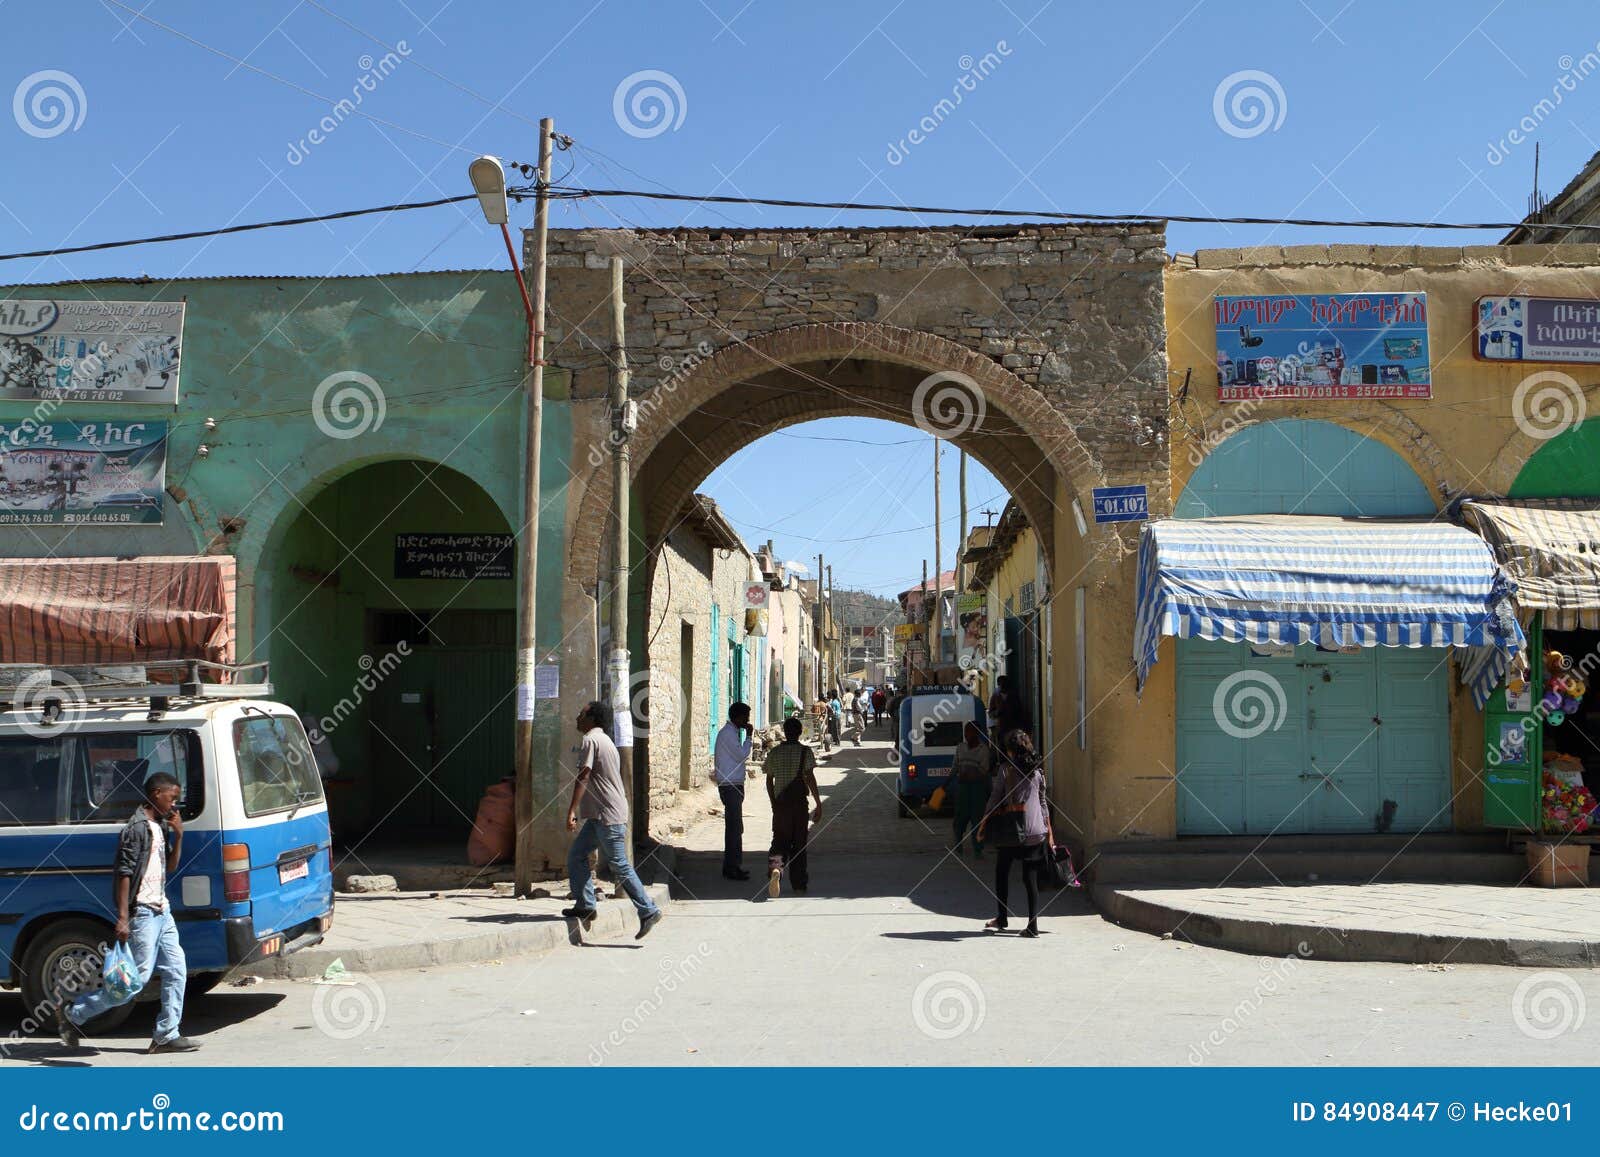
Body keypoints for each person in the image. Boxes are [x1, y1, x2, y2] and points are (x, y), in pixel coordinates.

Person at [56, 772, 200, 1053]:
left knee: (176, 969)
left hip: (162, 909)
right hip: (143, 913)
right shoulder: (136, 829)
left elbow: (170, 867)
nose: (175, 804)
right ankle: (73, 1013)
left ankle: (167, 1034)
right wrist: (123, 917)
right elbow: (123, 874)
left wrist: (180, 835)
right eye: (172, 798)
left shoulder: (161, 825)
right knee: (133, 983)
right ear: (156, 793)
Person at [563, 700, 663, 939]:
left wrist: (571, 810)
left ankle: (648, 910)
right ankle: (586, 905)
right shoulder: (605, 740)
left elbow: (583, 777)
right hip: (601, 815)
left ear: (592, 719)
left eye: (582, 714)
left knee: (619, 864)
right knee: (577, 855)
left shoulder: (591, 740)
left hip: (607, 815)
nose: (577, 717)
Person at [978, 731, 1053, 938]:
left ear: (1010, 751)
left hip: (1013, 831)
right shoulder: (1038, 772)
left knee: (1001, 872)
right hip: (1037, 831)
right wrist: (1049, 833)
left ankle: (1002, 917)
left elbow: (994, 798)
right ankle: (1033, 926)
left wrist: (983, 822)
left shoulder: (1005, 770)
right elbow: (1043, 803)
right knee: (1030, 879)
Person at [764, 716, 822, 897]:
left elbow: (768, 780)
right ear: (799, 733)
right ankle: (798, 885)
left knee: (779, 840)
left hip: (781, 804)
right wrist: (818, 804)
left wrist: (773, 802)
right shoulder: (805, 752)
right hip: (799, 805)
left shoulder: (774, 753)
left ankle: (776, 869)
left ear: (784, 732)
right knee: (799, 843)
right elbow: (810, 778)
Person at [713, 702, 753, 881]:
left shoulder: (731, 733)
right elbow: (742, 755)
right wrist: (749, 737)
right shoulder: (728, 734)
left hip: (732, 784)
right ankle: (731, 867)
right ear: (738, 717)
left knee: (736, 827)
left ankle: (734, 864)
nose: (747, 721)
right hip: (730, 786)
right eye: (746, 717)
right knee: (734, 828)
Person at [950, 721, 994, 858]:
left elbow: (984, 771)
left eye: (969, 732)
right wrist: (944, 784)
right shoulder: (960, 748)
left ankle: (978, 849)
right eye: (965, 732)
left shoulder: (983, 750)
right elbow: (954, 768)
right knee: (960, 817)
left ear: (976, 733)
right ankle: (958, 843)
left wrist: (970, 775)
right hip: (962, 788)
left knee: (977, 820)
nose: (966, 735)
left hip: (977, 789)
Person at [989, 675, 1027, 750]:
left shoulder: (1013, 695)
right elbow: (991, 713)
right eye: (1000, 684)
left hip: (1012, 728)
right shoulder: (996, 696)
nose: (1002, 686)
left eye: (1003, 684)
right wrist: (997, 712)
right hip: (1001, 729)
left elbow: (1019, 712)